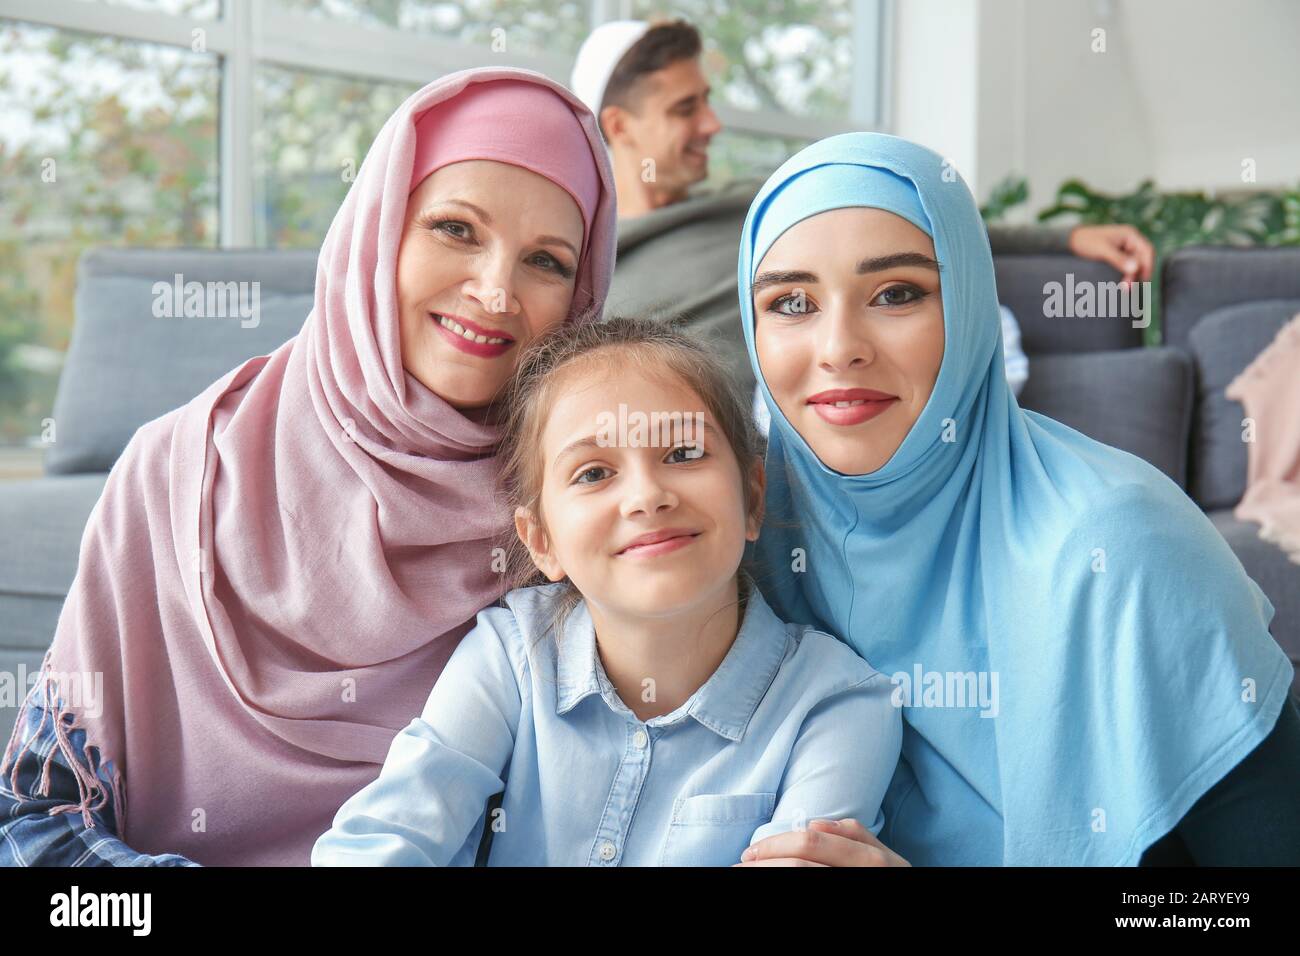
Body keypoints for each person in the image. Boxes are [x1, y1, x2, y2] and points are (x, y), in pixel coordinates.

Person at [0, 68, 617, 866]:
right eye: (456, 229)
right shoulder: (176, 472)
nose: (496, 290)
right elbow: (34, 823)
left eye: (547, 261)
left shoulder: (575, 518)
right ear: (378, 230)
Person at [734, 132, 1300, 866]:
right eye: (792, 302)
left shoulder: (1122, 551)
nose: (839, 346)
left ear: (970, 306)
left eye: (897, 293)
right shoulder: (731, 544)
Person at [311, 317, 901, 866]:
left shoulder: (838, 704)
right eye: (593, 473)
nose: (647, 496)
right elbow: (387, 840)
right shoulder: (513, 654)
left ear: (752, 495)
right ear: (542, 542)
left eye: (683, 453)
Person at [570, 18, 1156, 402]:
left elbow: (914, 213)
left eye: (708, 102)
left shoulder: (759, 202)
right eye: (685, 109)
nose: (712, 125)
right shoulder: (589, 269)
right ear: (619, 126)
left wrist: (1068, 240)